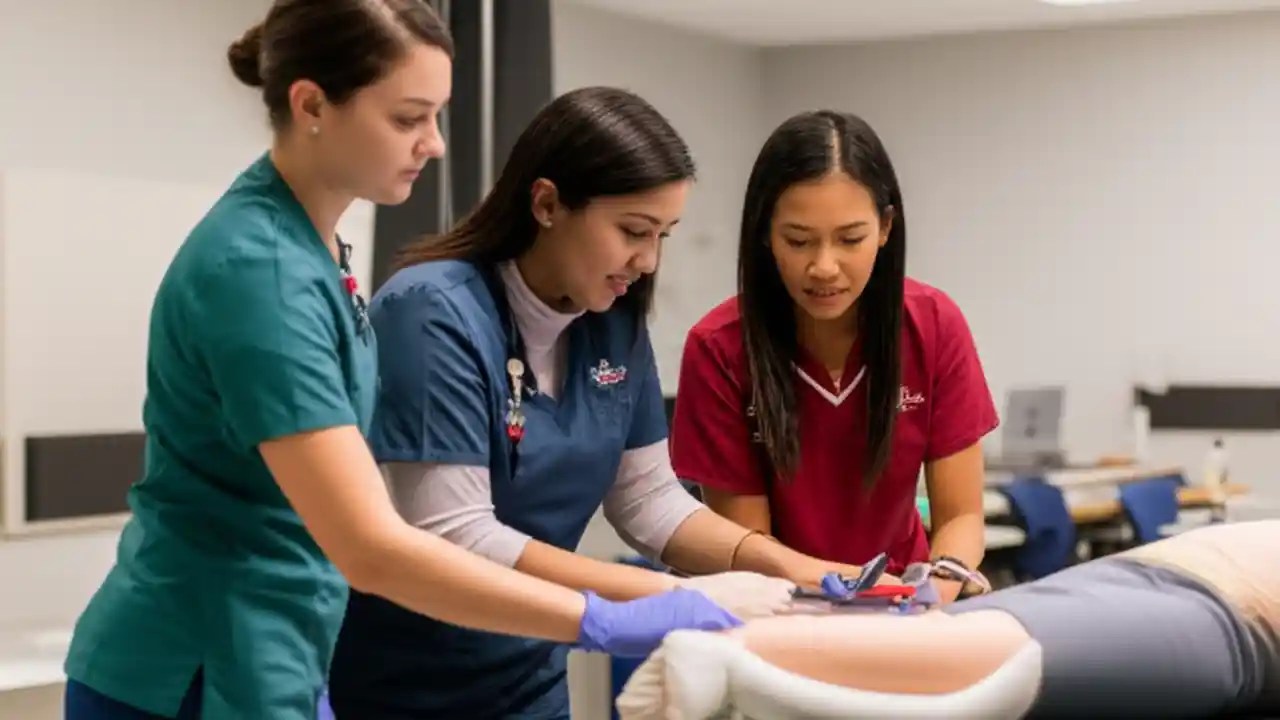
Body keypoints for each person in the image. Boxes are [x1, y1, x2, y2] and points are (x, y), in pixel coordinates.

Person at [60, 4, 745, 720]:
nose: (436, 144)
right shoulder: (261, 272)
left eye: (439, 116)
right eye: (408, 118)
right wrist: (606, 614)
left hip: (278, 655)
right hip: (191, 667)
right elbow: (373, 546)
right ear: (312, 104)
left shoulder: (313, 251)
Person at [326, 87, 892, 720]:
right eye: (633, 231)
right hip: (401, 689)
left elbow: (648, 499)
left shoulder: (612, 321)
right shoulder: (433, 312)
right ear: (546, 204)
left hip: (528, 683)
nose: (647, 262)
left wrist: (792, 572)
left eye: (662, 236)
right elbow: (455, 534)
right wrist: (662, 596)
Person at [671, 110, 998, 599]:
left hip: (906, 603)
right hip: (780, 609)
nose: (824, 267)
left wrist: (941, 583)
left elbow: (962, 515)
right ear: (765, 232)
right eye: (799, 241)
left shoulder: (932, 325)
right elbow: (748, 547)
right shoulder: (718, 349)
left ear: (886, 228)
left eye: (850, 239)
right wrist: (848, 592)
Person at [618, 519, 1280, 719]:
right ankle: (742, 656)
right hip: (1217, 600)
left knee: (978, 673)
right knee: (1001, 669)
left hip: (1207, 594)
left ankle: (745, 661)